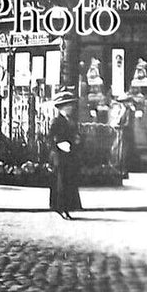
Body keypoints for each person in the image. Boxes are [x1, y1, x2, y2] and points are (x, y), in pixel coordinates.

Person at [48, 90, 82, 220]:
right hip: (59, 156)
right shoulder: (56, 121)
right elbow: (51, 138)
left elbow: (76, 135)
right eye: (68, 105)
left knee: (69, 182)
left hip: (70, 155)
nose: (71, 108)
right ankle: (61, 208)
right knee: (61, 183)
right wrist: (58, 143)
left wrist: (77, 140)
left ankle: (68, 207)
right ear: (62, 107)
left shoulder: (71, 121)